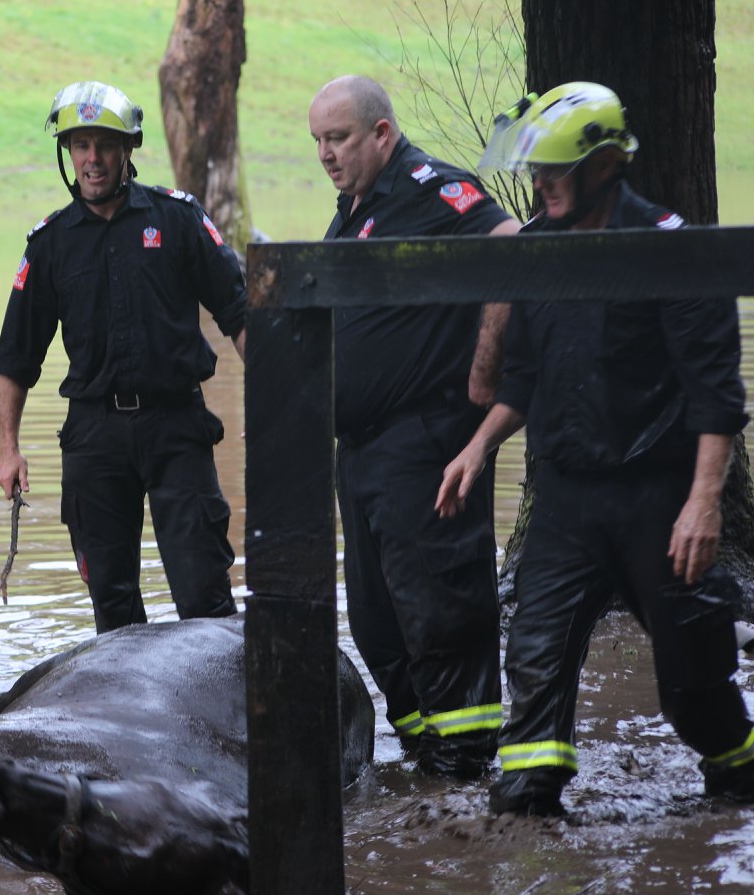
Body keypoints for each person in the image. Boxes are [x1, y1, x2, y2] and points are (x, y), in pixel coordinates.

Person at [438, 81, 754, 816]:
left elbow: (716, 399)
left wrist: (703, 504)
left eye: (554, 171)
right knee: (535, 657)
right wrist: (478, 448)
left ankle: (739, 779)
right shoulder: (538, 251)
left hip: (660, 498)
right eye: (535, 170)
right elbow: (519, 380)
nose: (539, 184)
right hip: (567, 501)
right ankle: (527, 814)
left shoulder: (671, 249)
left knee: (693, 689)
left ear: (607, 164)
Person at [310, 75, 520, 779]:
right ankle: (426, 755)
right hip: (361, 451)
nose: (326, 154)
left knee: (440, 609)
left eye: (337, 138)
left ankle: (464, 767)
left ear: (382, 134)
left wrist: (484, 371)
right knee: (374, 619)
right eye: (318, 141)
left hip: (424, 440)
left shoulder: (430, 187)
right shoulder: (354, 208)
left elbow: (511, 247)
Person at [0, 80, 247, 633]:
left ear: (128, 149)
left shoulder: (178, 219)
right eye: (80, 145)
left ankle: (227, 718)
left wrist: (276, 406)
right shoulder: (51, 244)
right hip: (94, 438)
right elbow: (15, 356)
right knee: (113, 606)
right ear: (68, 154)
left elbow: (240, 313)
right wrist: (8, 450)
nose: (93, 159)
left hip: (177, 425)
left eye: (105, 144)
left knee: (205, 598)